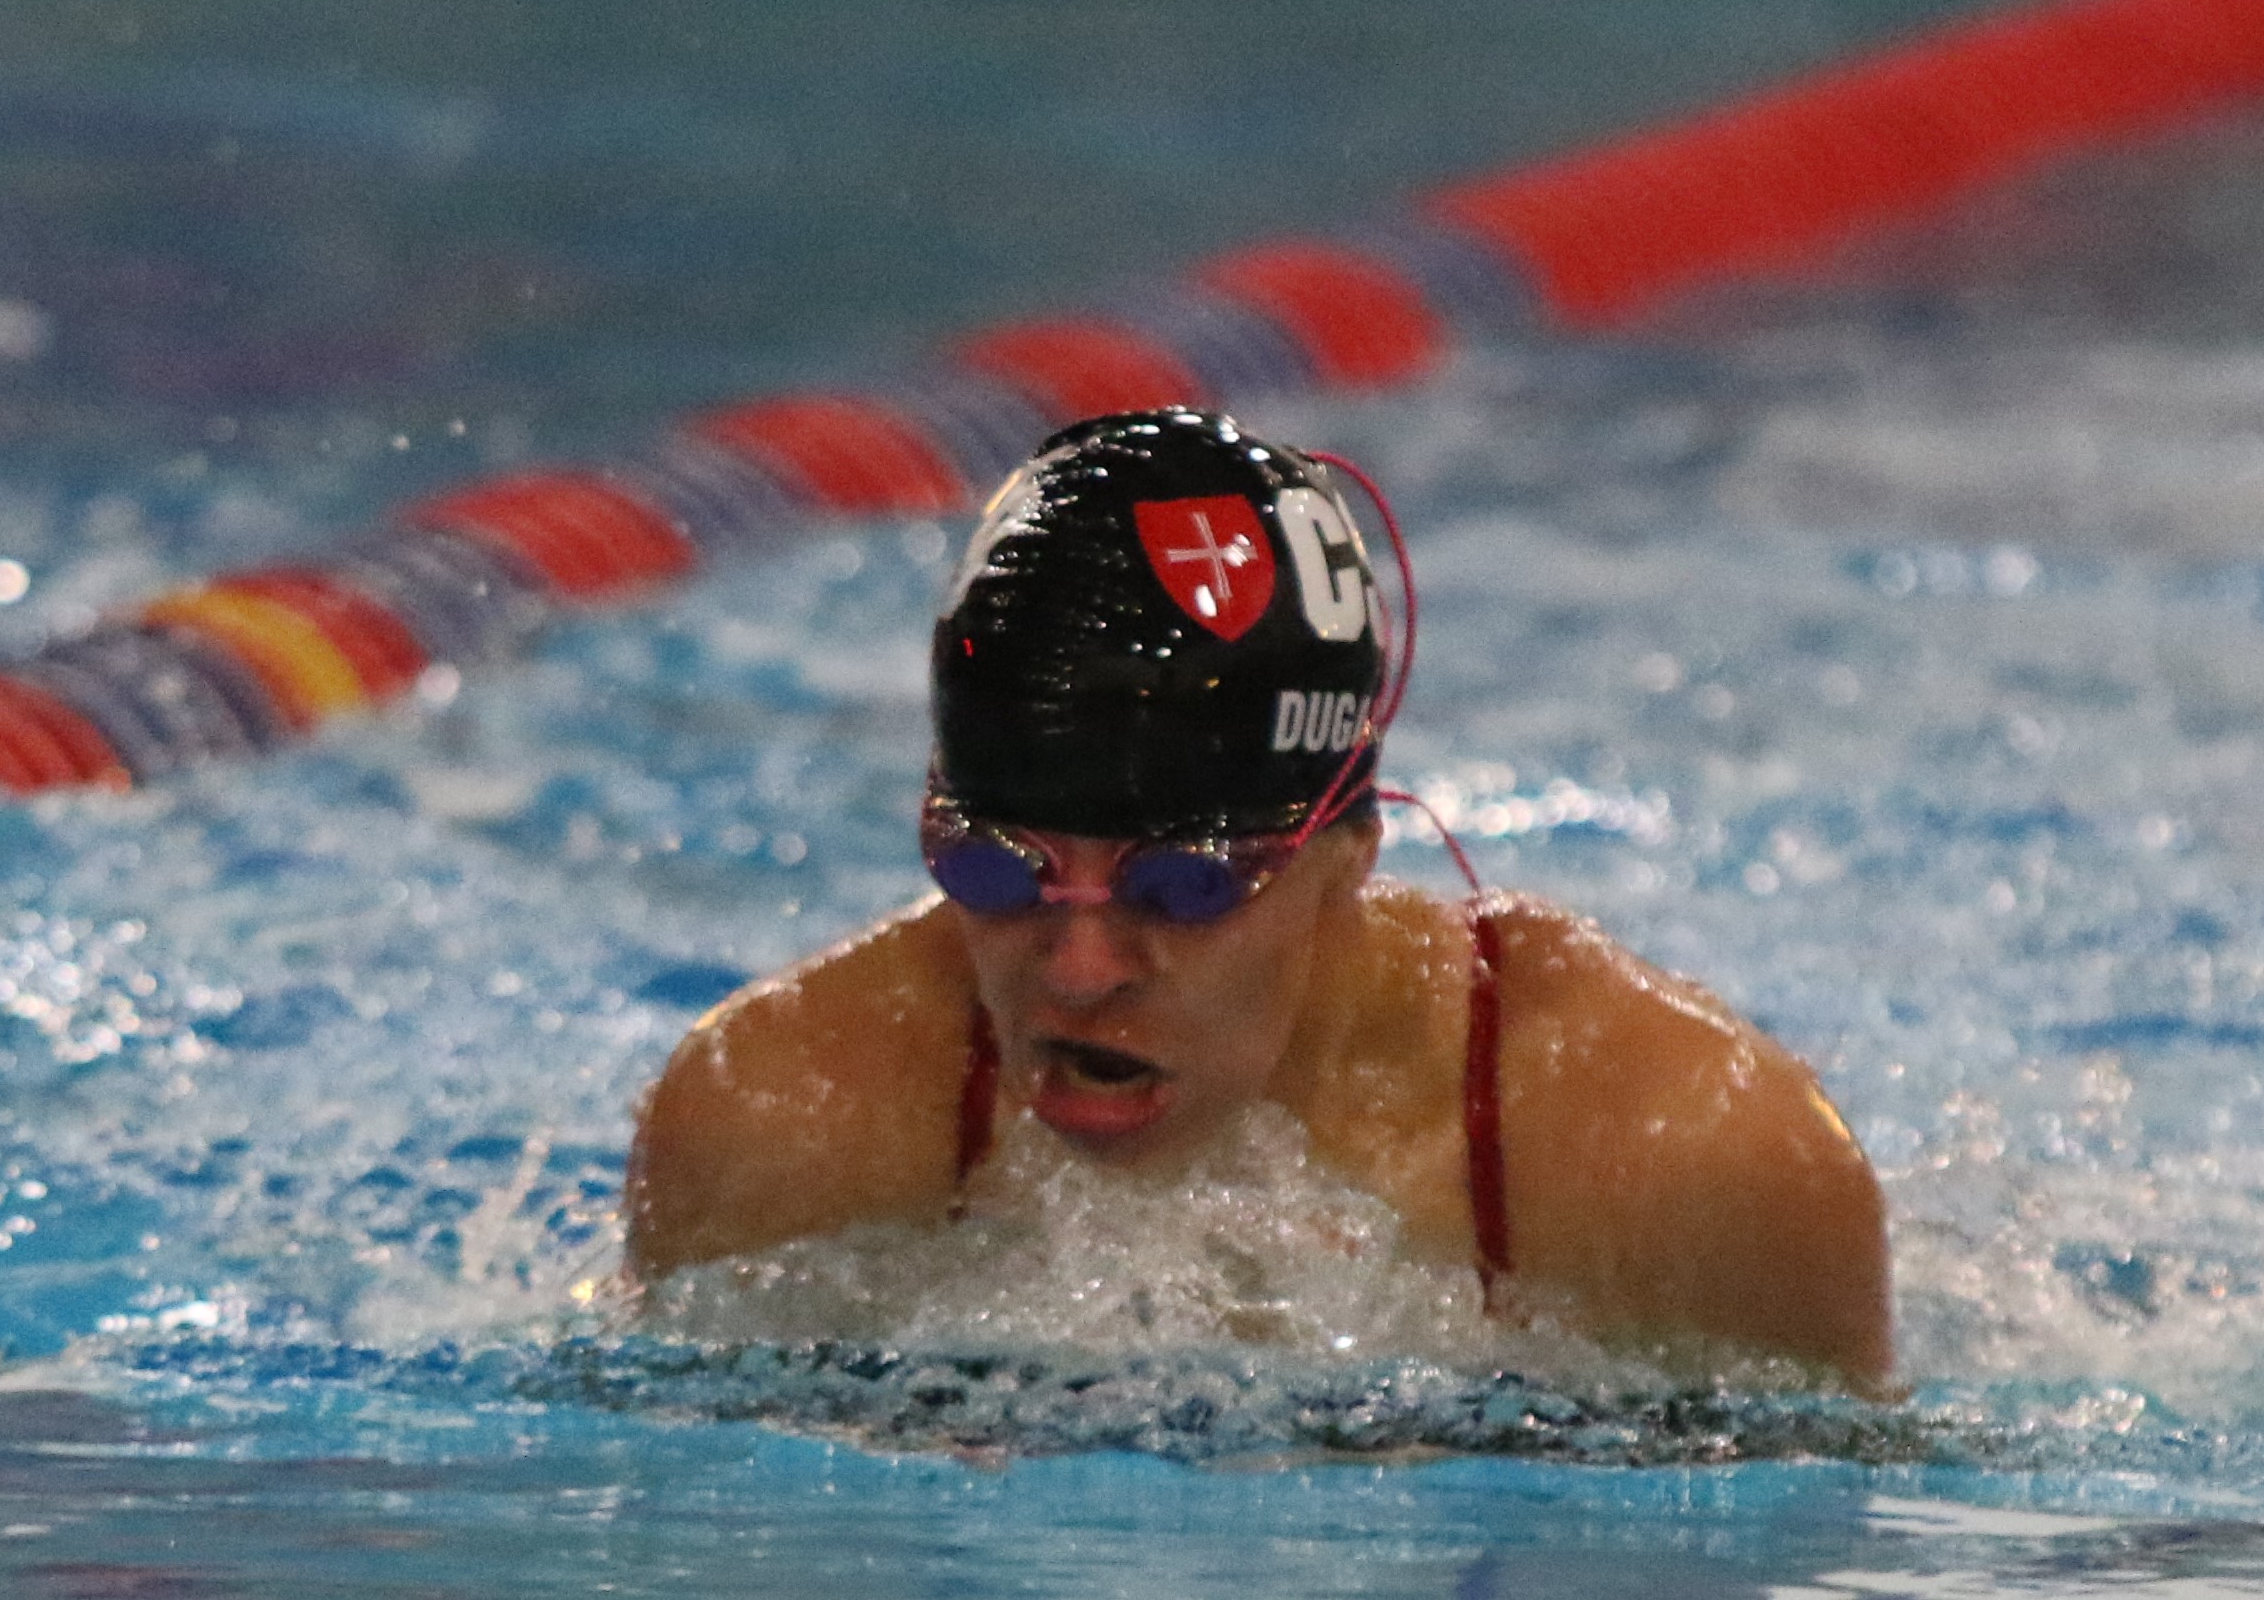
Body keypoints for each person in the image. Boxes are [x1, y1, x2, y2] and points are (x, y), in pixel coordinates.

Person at [623, 408, 1889, 1382]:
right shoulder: (781, 1119)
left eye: (1179, 889)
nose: (1075, 968)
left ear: (1347, 855)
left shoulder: (1681, 1161)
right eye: (996, 870)